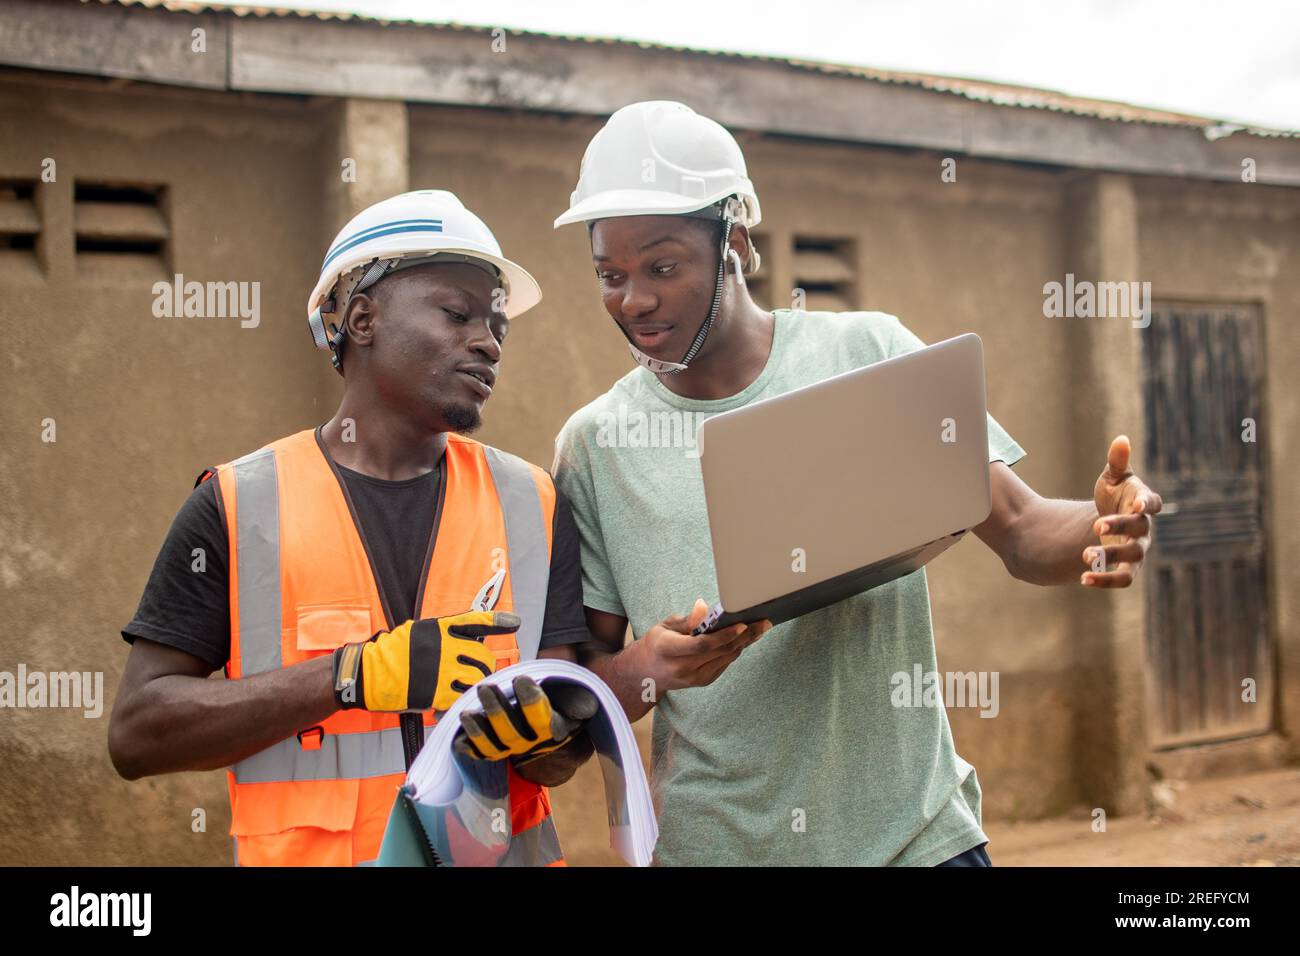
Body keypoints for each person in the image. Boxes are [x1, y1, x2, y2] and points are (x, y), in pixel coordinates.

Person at [551, 101, 1163, 866]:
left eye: (662, 267)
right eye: (610, 275)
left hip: (918, 842)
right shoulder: (594, 446)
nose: (633, 300)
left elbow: (1023, 529)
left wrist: (1099, 529)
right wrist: (648, 669)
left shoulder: (870, 355)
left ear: (736, 242)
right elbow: (577, 695)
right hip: (716, 850)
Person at [109, 189, 599, 866]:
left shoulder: (532, 503)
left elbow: (559, 754)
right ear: (362, 319)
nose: (488, 342)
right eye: (458, 314)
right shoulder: (238, 505)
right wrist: (350, 676)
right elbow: (137, 735)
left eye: (497, 325)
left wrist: (547, 739)